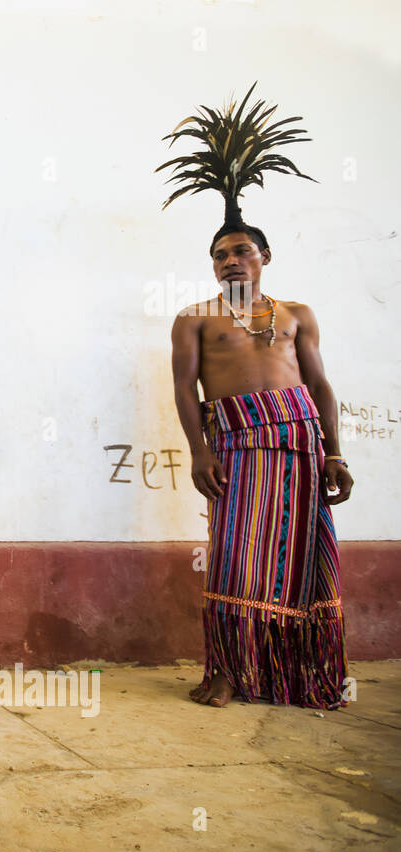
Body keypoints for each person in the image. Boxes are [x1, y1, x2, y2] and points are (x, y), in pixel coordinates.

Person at [161, 85, 351, 709]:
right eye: (220, 255)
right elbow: (185, 388)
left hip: (299, 438)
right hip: (236, 443)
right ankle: (226, 671)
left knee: (298, 561)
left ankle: (295, 671)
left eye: (241, 250)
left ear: (264, 255)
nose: (231, 261)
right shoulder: (195, 318)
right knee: (235, 558)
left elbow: (319, 384)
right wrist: (198, 452)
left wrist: (336, 452)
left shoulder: (297, 314)